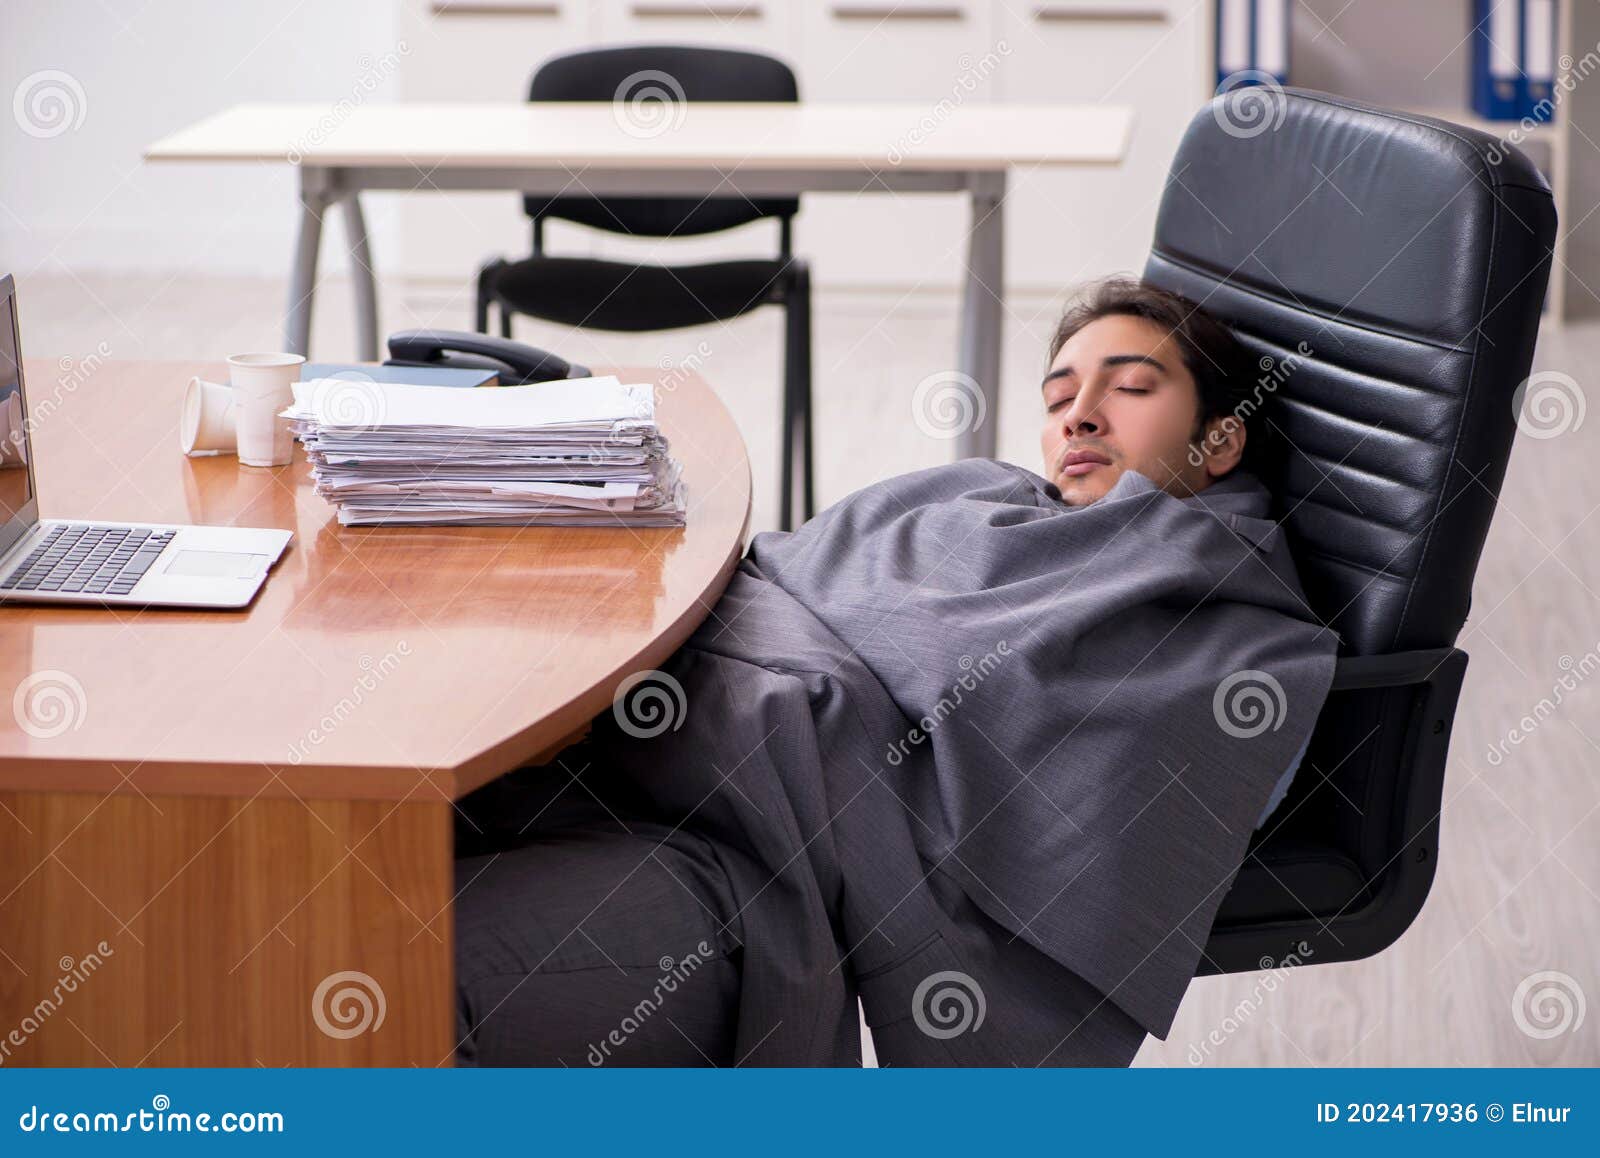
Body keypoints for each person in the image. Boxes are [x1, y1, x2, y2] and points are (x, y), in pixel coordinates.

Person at [452, 276, 1337, 1067]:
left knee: (407, 943)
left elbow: (966, 745)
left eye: (1133, 388)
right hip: (628, 742)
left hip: (727, 838)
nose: (1081, 414)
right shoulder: (977, 497)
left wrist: (813, 697)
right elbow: (771, 575)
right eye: (1060, 394)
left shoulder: (1216, 627)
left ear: (1221, 444)